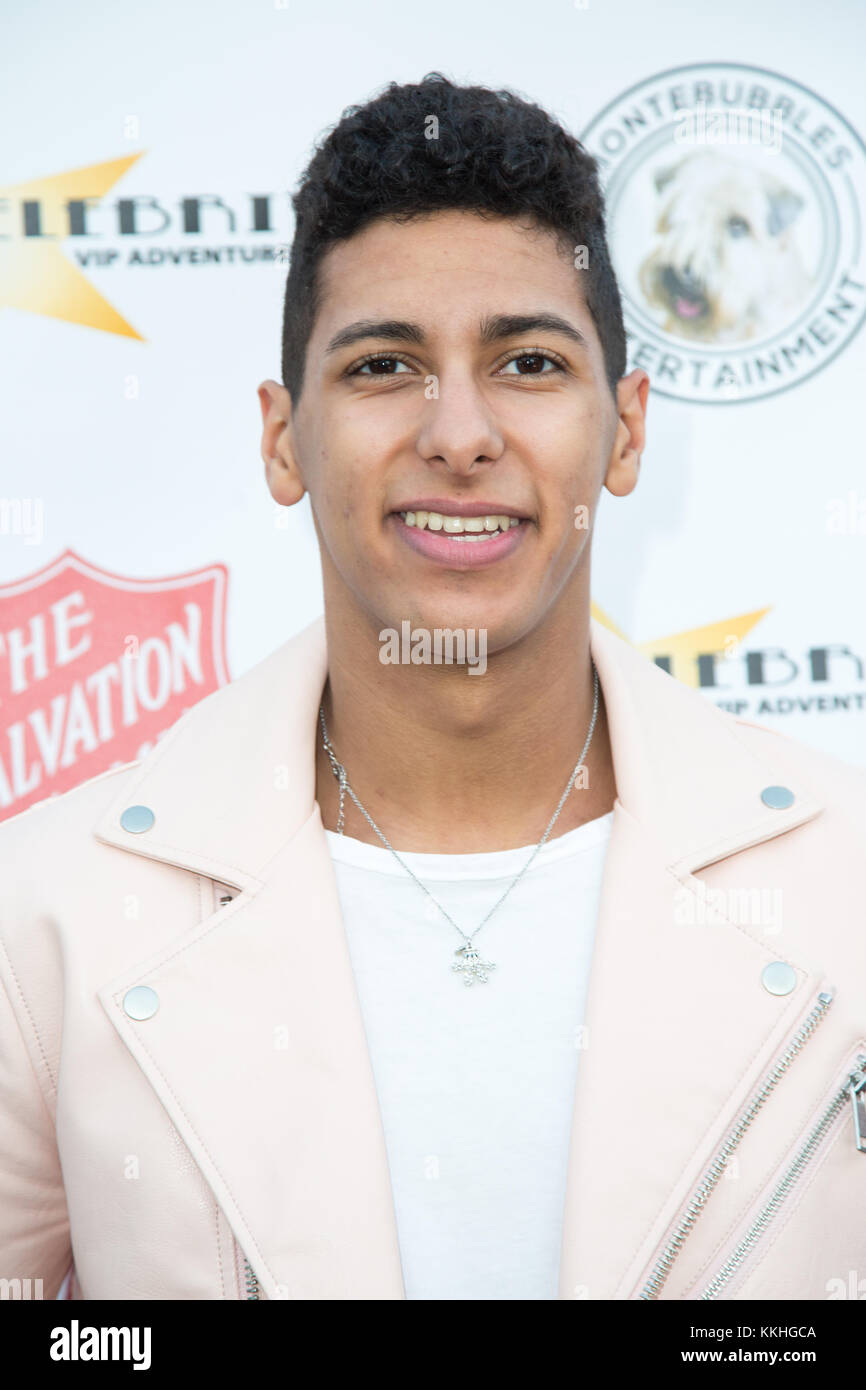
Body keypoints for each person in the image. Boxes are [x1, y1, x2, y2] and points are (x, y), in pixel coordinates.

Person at [1, 73, 864, 1304]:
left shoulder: (847, 881)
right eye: (381, 366)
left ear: (623, 433)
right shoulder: (49, 922)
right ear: (280, 438)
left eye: (524, 360)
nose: (457, 433)